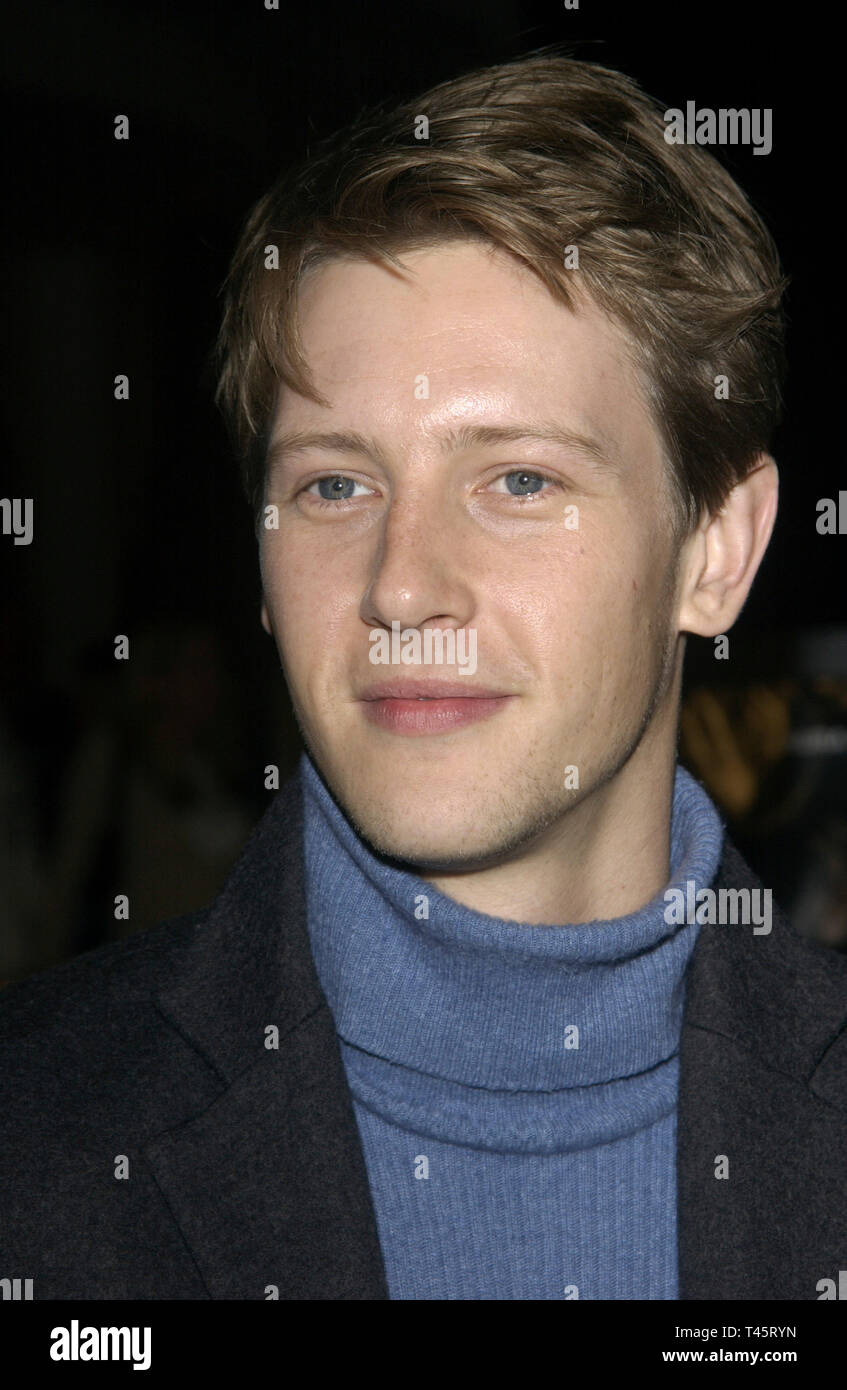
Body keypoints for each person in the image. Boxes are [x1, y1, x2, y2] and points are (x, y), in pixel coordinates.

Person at [2, 51, 846, 1303]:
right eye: (335, 484)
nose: (400, 586)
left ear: (713, 550)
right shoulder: (36, 1145)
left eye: (517, 480)